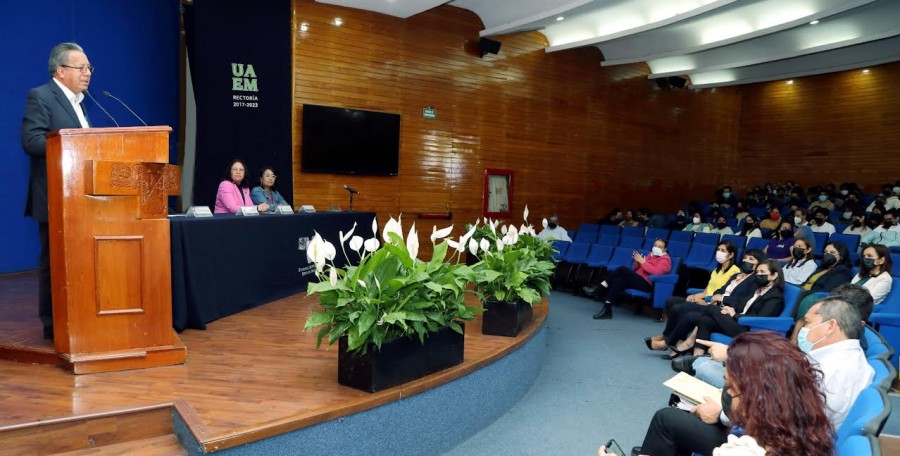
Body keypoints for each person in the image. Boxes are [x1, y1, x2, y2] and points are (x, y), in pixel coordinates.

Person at [603, 332, 835, 456]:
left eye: (729, 386)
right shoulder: (799, 430)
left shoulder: (743, 452)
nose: (726, 392)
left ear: (757, 397)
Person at [20, 42, 94, 340]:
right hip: (54, 196)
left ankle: (80, 316)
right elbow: (32, 141)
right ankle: (53, 324)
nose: (87, 73)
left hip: (81, 196)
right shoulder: (41, 96)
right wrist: (74, 145)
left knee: (79, 259)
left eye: (89, 68)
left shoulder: (80, 102)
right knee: (55, 261)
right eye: (81, 67)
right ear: (61, 71)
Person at [647, 249, 765, 359]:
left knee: (684, 310)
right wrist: (716, 296)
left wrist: (722, 298)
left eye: (751, 259)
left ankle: (669, 342)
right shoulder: (736, 276)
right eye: (745, 258)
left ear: (759, 264)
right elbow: (720, 289)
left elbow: (741, 301)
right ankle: (674, 341)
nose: (746, 261)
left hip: (724, 310)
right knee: (678, 307)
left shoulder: (754, 280)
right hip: (714, 304)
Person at [797, 298, 874, 428]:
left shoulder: (832, 371)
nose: (803, 329)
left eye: (808, 323)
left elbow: (804, 422)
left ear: (830, 327)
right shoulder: (848, 356)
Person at [691, 261, 785, 355]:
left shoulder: (775, 296)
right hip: (740, 322)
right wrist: (730, 310)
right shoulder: (759, 289)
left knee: (712, 309)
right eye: (757, 272)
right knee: (706, 320)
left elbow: (761, 318)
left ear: (774, 275)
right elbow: (742, 304)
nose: (758, 274)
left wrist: (734, 315)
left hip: (750, 330)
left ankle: (689, 341)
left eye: (762, 272)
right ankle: (697, 356)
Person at [588, 238, 672, 320]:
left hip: (647, 283)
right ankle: (607, 309)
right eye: (655, 245)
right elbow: (636, 269)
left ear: (665, 249)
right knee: (618, 280)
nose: (657, 248)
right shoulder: (651, 255)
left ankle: (599, 289)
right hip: (637, 279)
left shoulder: (666, 260)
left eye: (660, 247)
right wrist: (637, 263)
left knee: (622, 269)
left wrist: (643, 262)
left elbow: (656, 272)